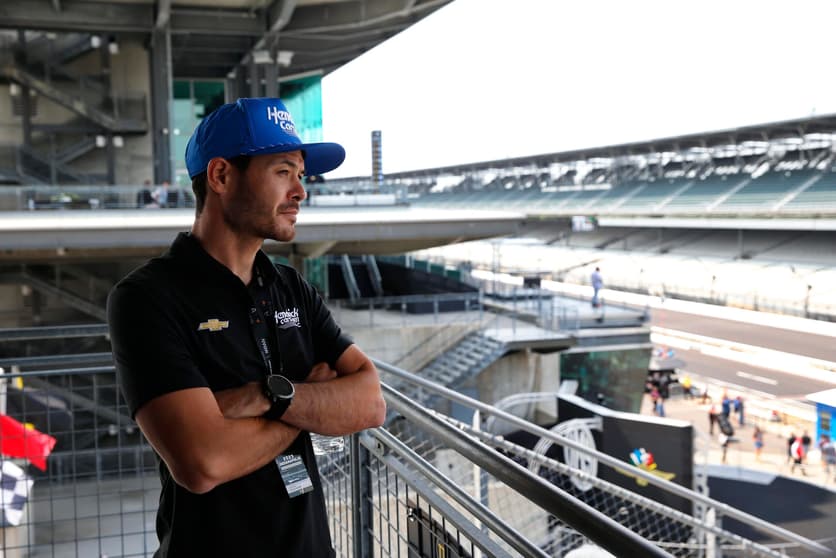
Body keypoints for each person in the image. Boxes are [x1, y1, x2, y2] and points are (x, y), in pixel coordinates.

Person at [107, 97, 386, 557]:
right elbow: (203, 462)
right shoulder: (147, 298)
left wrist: (266, 398)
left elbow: (370, 402)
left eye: (301, 174)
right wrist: (305, 402)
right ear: (220, 176)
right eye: (283, 171)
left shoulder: (291, 287)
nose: (300, 191)